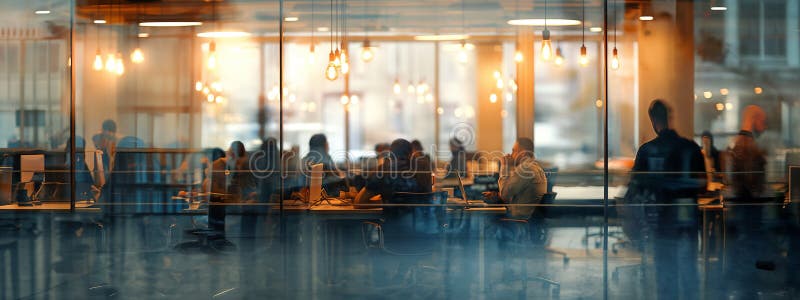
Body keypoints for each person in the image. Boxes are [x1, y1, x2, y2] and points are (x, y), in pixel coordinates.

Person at [627, 99, 706, 300]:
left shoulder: (647, 150)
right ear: (670, 118)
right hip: (687, 219)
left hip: (662, 220)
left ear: (653, 119)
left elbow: (636, 188)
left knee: (665, 273)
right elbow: (703, 184)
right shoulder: (691, 148)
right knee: (689, 272)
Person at [482, 137, 548, 220]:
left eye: (514, 151)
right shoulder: (534, 167)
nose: (511, 154)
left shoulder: (526, 169)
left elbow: (504, 195)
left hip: (518, 222)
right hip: (528, 221)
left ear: (523, 153)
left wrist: (505, 167)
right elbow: (512, 192)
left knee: (482, 218)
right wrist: (497, 195)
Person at [354, 139, 432, 208]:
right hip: (421, 223)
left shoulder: (383, 170)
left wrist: (385, 202)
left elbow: (358, 202)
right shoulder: (424, 167)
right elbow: (429, 200)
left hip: (392, 223)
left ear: (391, 154)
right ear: (411, 154)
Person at [729, 105, 767, 201]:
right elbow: (749, 181)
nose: (763, 127)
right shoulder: (746, 145)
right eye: (762, 122)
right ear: (755, 119)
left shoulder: (742, 142)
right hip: (748, 204)